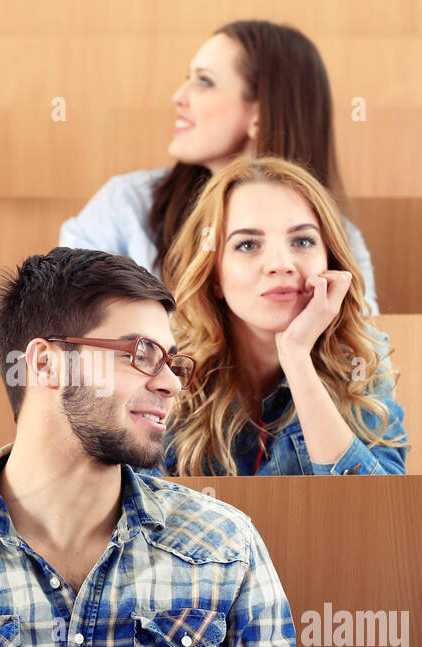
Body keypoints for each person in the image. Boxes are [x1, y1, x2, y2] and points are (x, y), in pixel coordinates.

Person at [0, 247, 301, 647]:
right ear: (47, 364)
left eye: (172, 360)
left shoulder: (225, 546)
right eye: (140, 352)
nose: (171, 383)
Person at [60, 20, 379, 314]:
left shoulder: (339, 240)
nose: (179, 97)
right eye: (246, 244)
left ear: (260, 113)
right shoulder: (126, 205)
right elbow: (62, 319)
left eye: (204, 81)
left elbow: (363, 350)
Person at [156, 156, 407, 477]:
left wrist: (296, 356)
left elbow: (376, 509)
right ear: (214, 276)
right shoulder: (167, 360)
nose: (280, 264)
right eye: (247, 245)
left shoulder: (361, 356)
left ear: (329, 260)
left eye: (302, 241)